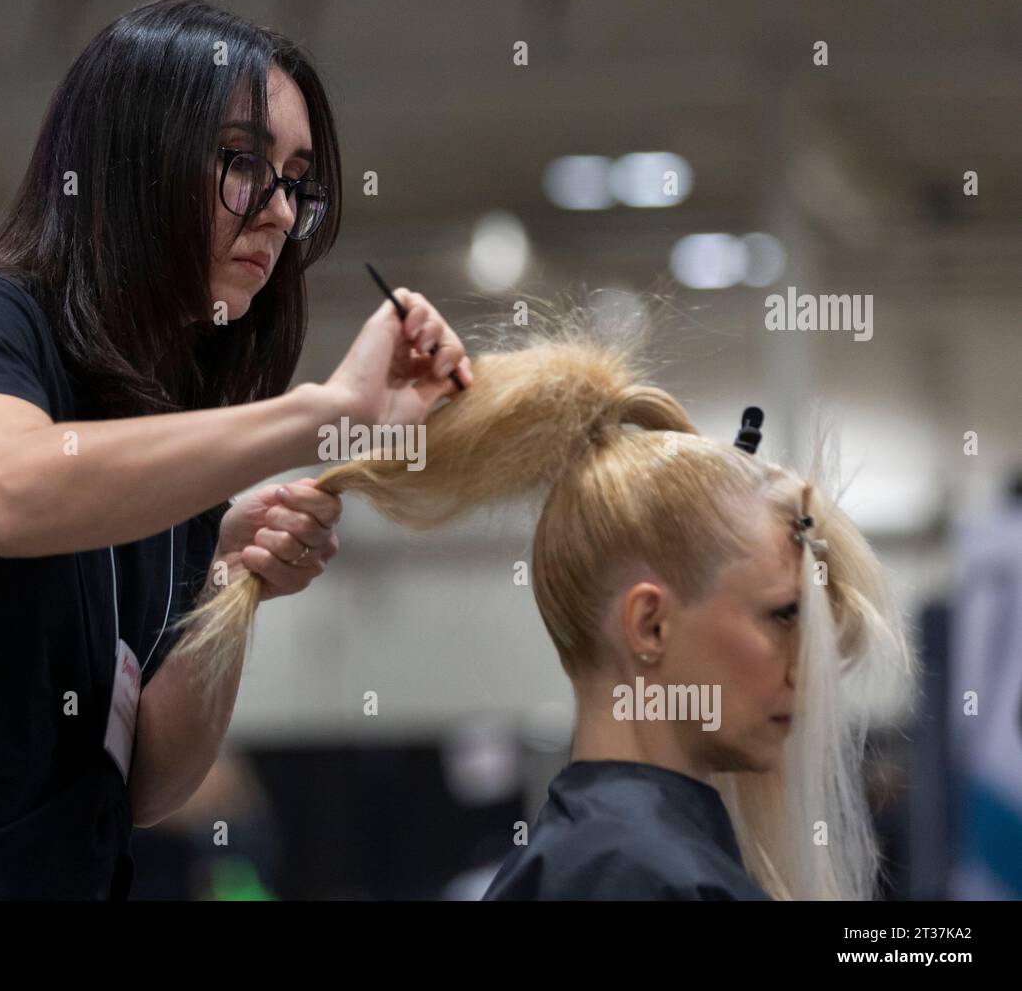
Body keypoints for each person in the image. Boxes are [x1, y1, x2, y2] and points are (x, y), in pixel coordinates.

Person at [0, 0, 472, 900]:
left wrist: (231, 586)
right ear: (128, 164)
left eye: (296, 180)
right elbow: (15, 491)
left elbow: (147, 781)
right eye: (241, 163)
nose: (275, 211)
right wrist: (328, 410)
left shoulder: (157, 424)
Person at [175, 303, 916, 900]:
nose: (807, 669)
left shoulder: (600, 860)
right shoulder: (645, 877)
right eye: (782, 617)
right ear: (649, 623)